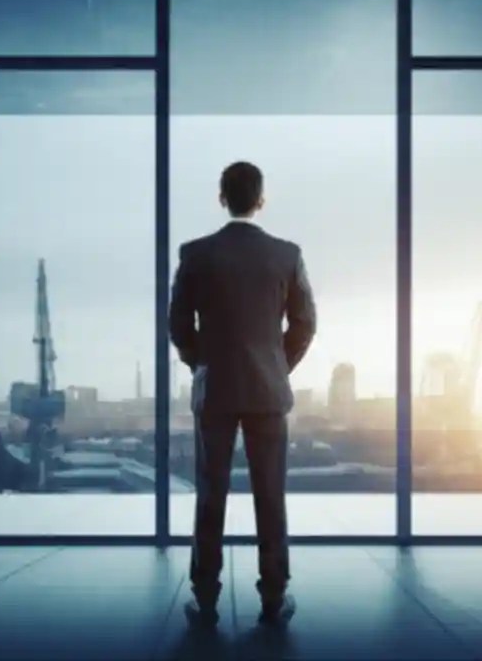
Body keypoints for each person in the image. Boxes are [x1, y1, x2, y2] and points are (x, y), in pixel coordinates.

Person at [170, 160, 317, 627]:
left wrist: (202, 363)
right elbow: (305, 323)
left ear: (221, 197)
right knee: (270, 494)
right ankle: (274, 596)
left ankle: (205, 596)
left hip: (214, 392)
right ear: (260, 200)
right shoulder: (286, 254)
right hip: (267, 392)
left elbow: (177, 325)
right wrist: (278, 364)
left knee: (210, 493)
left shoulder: (194, 254)